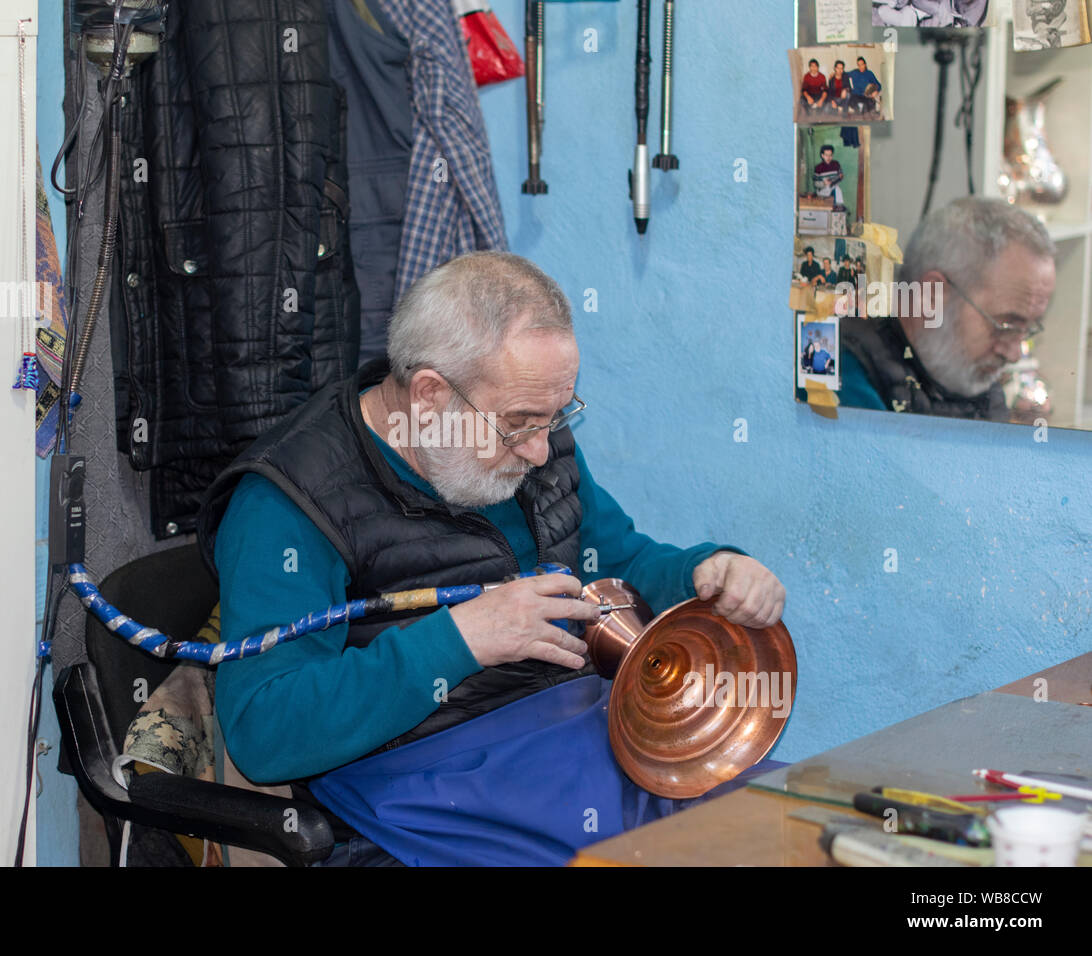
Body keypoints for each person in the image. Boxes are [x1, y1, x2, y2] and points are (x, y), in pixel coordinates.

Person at [198, 251, 787, 866]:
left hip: (578, 735)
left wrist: (703, 572)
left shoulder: (529, 432)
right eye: (519, 424)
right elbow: (265, 730)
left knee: (787, 827)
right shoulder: (290, 503)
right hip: (425, 786)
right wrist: (461, 639)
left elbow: (613, 561)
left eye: (557, 416)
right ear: (429, 395)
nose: (541, 450)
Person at [838, 197, 1055, 420]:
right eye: (1005, 326)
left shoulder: (973, 380)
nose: (1014, 354)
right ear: (932, 295)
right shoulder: (847, 378)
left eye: (1027, 330)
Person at [814, 145, 845, 211]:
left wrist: (839, 177)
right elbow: (816, 184)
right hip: (822, 191)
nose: (828, 157)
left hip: (834, 187)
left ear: (832, 155)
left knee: (837, 189)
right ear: (822, 155)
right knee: (832, 189)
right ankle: (837, 207)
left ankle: (838, 208)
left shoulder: (836, 164)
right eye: (826, 155)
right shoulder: (818, 168)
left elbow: (841, 176)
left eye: (830, 155)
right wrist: (824, 183)